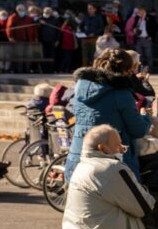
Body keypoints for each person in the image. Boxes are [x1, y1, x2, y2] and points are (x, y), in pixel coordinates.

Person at [63, 48, 153, 182]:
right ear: (126, 70)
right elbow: (138, 130)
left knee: (78, 202)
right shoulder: (122, 94)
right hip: (110, 165)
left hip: (77, 160)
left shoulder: (80, 87)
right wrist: (146, 117)